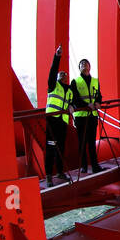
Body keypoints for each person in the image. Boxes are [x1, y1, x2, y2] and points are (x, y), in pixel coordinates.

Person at [43, 46, 71, 185]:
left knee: (60, 148)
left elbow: (74, 102)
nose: (62, 75)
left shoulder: (70, 91)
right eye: (61, 74)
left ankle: (60, 173)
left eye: (64, 74)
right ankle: (48, 176)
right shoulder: (53, 85)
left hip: (63, 123)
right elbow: (53, 70)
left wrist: (72, 106)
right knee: (51, 147)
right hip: (52, 121)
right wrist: (57, 56)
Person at [72, 58, 104, 173]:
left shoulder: (95, 81)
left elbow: (99, 95)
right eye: (81, 64)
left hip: (92, 115)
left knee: (91, 142)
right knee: (82, 142)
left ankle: (95, 166)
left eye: (85, 63)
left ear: (89, 67)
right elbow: (74, 99)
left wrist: (98, 103)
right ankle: (84, 166)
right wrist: (86, 105)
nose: (83, 65)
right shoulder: (75, 81)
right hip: (81, 116)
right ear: (79, 68)